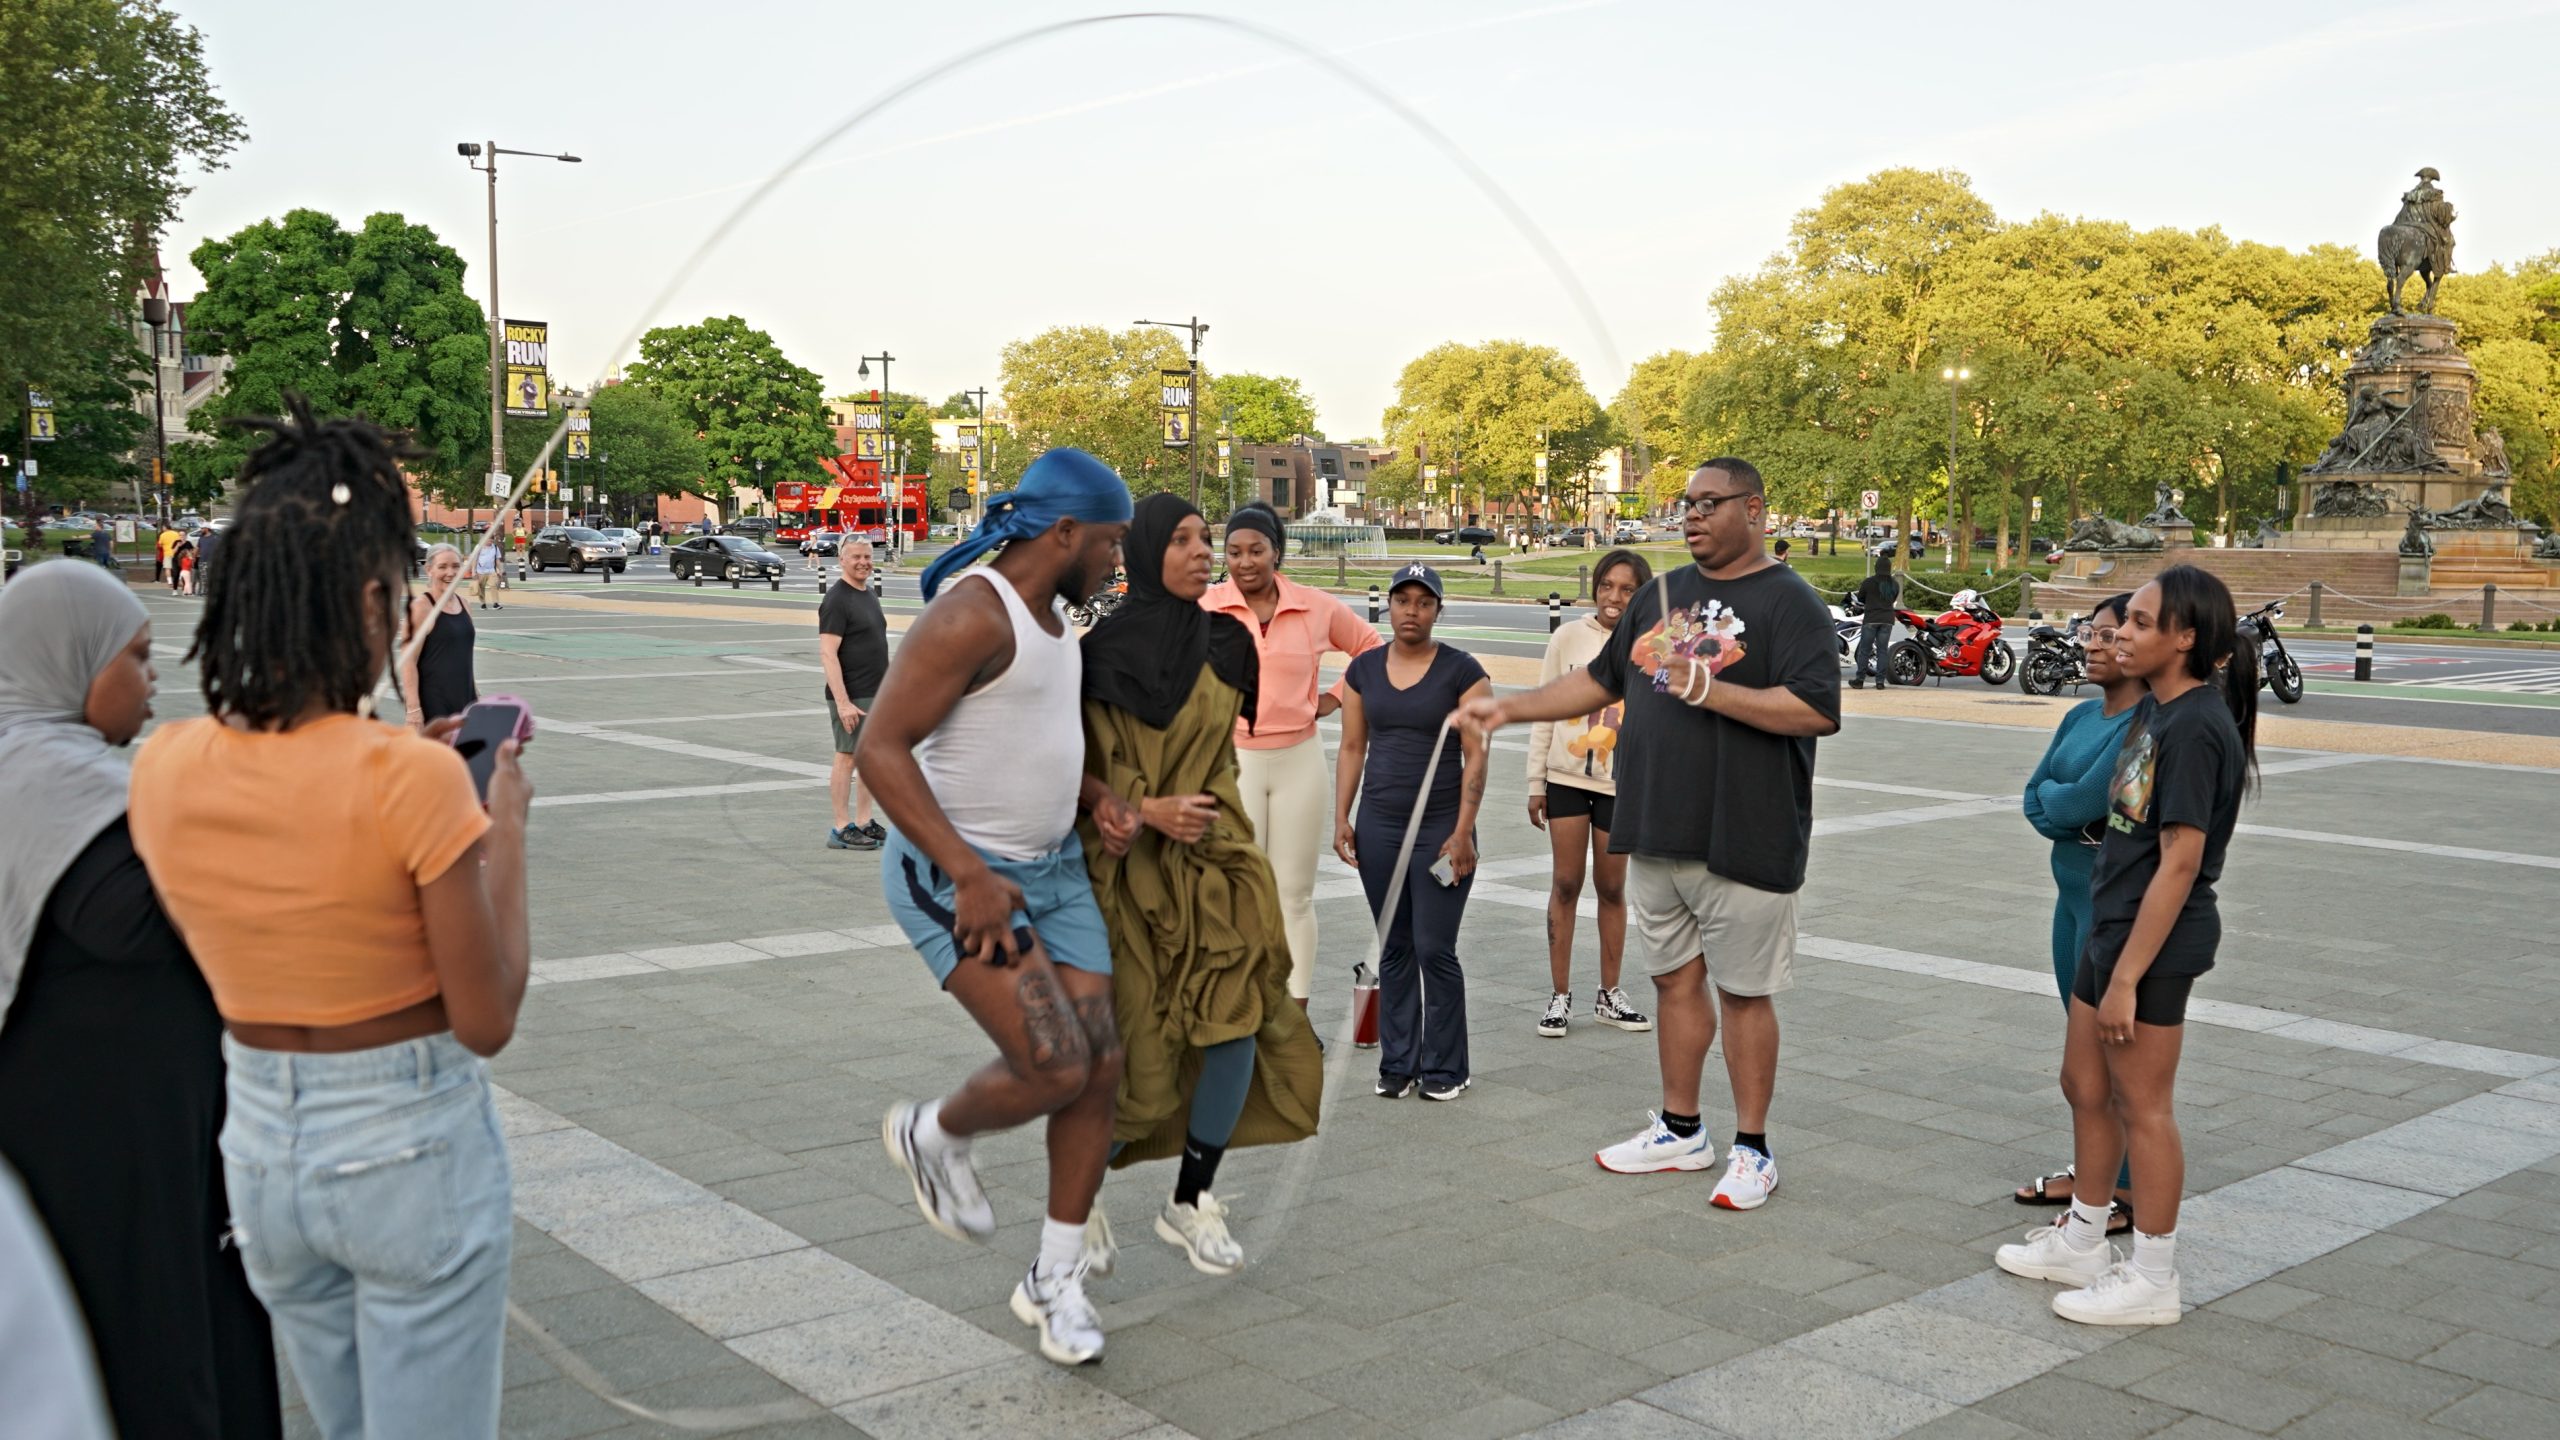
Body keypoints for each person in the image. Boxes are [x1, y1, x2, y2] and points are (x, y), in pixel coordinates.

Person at [127, 399, 534, 1434]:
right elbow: (487, 1016)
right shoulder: (411, 780)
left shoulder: (164, 765)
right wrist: (504, 828)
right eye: (397, 599)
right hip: (405, 1135)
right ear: (365, 602)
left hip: (261, 1140)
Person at [1459, 459, 1840, 1211]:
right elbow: (1602, 680)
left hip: (1746, 833)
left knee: (1744, 993)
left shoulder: (1790, 600)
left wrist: (1712, 690)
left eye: (1710, 502)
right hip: (1657, 827)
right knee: (1672, 981)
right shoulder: (1661, 595)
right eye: (1686, 503)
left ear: (1754, 509)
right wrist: (1512, 708)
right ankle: (1681, 1129)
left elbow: (1816, 709)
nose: (1692, 515)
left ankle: (1753, 1150)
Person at [863, 448, 1132, 1368]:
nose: (1115, 559)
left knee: (1101, 1064)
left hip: (1053, 872)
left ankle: (1055, 1280)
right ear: (1065, 532)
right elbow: (880, 747)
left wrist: (1094, 796)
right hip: (959, 877)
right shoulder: (971, 613)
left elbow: (1024, 733)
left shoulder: (1055, 617)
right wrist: (966, 873)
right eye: (1109, 542)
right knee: (1055, 1064)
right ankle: (931, 1133)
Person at [0, 560, 282, 1439]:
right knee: (151, 1337)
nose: (153, 678)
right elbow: (137, 917)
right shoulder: (47, 770)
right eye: (135, 656)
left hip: (104, 1119)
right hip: (103, 1135)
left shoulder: (37, 759)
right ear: (72, 662)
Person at [1995, 565, 2255, 1325]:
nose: (2119, 635)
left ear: (2186, 638)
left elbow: (2179, 862)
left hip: (2154, 943)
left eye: (2141, 623)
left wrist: (2126, 978)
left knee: (2143, 1107)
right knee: (2084, 1083)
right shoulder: (2152, 714)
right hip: (2111, 928)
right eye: (2122, 622)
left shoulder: (2197, 725)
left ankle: (2153, 1276)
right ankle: (2082, 1238)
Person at [1077, 494, 1321, 1277]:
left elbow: (1220, 758)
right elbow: (1078, 770)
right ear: (1146, 551)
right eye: (1181, 540)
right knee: (1139, 1059)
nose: (1201, 553)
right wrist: (1143, 809)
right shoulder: (1100, 652)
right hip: (1129, 878)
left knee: (1237, 1023)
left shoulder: (1228, 643)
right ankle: (1073, 1204)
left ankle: (1190, 1197)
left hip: (1216, 870)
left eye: (1204, 539)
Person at [1200, 501, 1381, 1009]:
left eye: (1256, 550)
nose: (1245, 562)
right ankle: (1242, 1016)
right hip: (1233, 764)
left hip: (1299, 760)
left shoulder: (1314, 606)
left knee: (1294, 896)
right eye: (1234, 552)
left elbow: (1370, 647)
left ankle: (1294, 1020)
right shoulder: (1206, 607)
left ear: (1276, 552)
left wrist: (1334, 698)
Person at [1334, 562, 1491, 1102]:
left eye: (1424, 602)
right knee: (1395, 945)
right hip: (1379, 826)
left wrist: (1464, 831)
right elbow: (1352, 746)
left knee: (1433, 947)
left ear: (1437, 611)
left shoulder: (1463, 672)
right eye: (1403, 600)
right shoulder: (1363, 670)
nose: (1412, 611)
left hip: (1442, 831)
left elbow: (1476, 756)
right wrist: (1342, 817)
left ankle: (1447, 1066)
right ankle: (1399, 1063)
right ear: (1389, 605)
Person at [2011, 595, 2140, 1234]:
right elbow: (2035, 798)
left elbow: (2069, 804)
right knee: (2082, 1060)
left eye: (2111, 634)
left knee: (2107, 1060)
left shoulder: (2142, 726)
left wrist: (2061, 804)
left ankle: (2125, 1191)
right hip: (2070, 897)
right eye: (2090, 631)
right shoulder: (2080, 714)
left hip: (2108, 904)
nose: (2092, 644)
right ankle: (2095, 1173)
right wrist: (2062, 805)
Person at [1526, 548, 1654, 1039]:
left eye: (1627, 589)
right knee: (1565, 883)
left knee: (1612, 888)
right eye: (1606, 586)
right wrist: (1536, 782)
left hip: (1619, 785)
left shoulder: (1651, 645)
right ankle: (1559, 997)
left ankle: (1609, 994)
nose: (1614, 597)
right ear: (1595, 587)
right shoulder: (1567, 637)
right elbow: (1544, 708)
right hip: (1565, 779)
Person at [820, 538, 888, 851]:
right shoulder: (837, 600)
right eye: (856, 557)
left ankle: (863, 821)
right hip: (852, 694)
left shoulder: (868, 594)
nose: (863, 562)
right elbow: (828, 653)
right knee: (847, 756)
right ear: (842, 560)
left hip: (876, 692)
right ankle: (840, 827)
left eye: (867, 556)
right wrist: (843, 703)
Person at [398, 543, 478, 728]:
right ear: (429, 570)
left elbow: (464, 657)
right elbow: (408, 661)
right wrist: (413, 708)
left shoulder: (464, 604)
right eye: (442, 567)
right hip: (434, 703)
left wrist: (476, 695)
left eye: (456, 566)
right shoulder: (421, 607)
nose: (450, 572)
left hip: (465, 699)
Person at [1850, 554, 1899, 689]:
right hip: (1887, 619)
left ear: (1877, 567)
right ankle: (1880, 681)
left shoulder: (1869, 582)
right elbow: (1893, 599)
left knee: (1865, 650)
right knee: (1882, 651)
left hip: (1871, 618)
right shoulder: (1894, 584)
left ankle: (1860, 679)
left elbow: (1861, 598)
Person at [470, 535, 503, 610]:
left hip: (491, 570)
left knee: (493, 585)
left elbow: (497, 560)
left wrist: (500, 570)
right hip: (480, 571)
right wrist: (473, 571)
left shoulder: (495, 547)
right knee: (481, 587)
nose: (490, 542)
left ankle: (495, 603)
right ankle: (483, 603)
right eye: (489, 540)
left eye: (492, 541)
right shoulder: (478, 547)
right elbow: (475, 560)